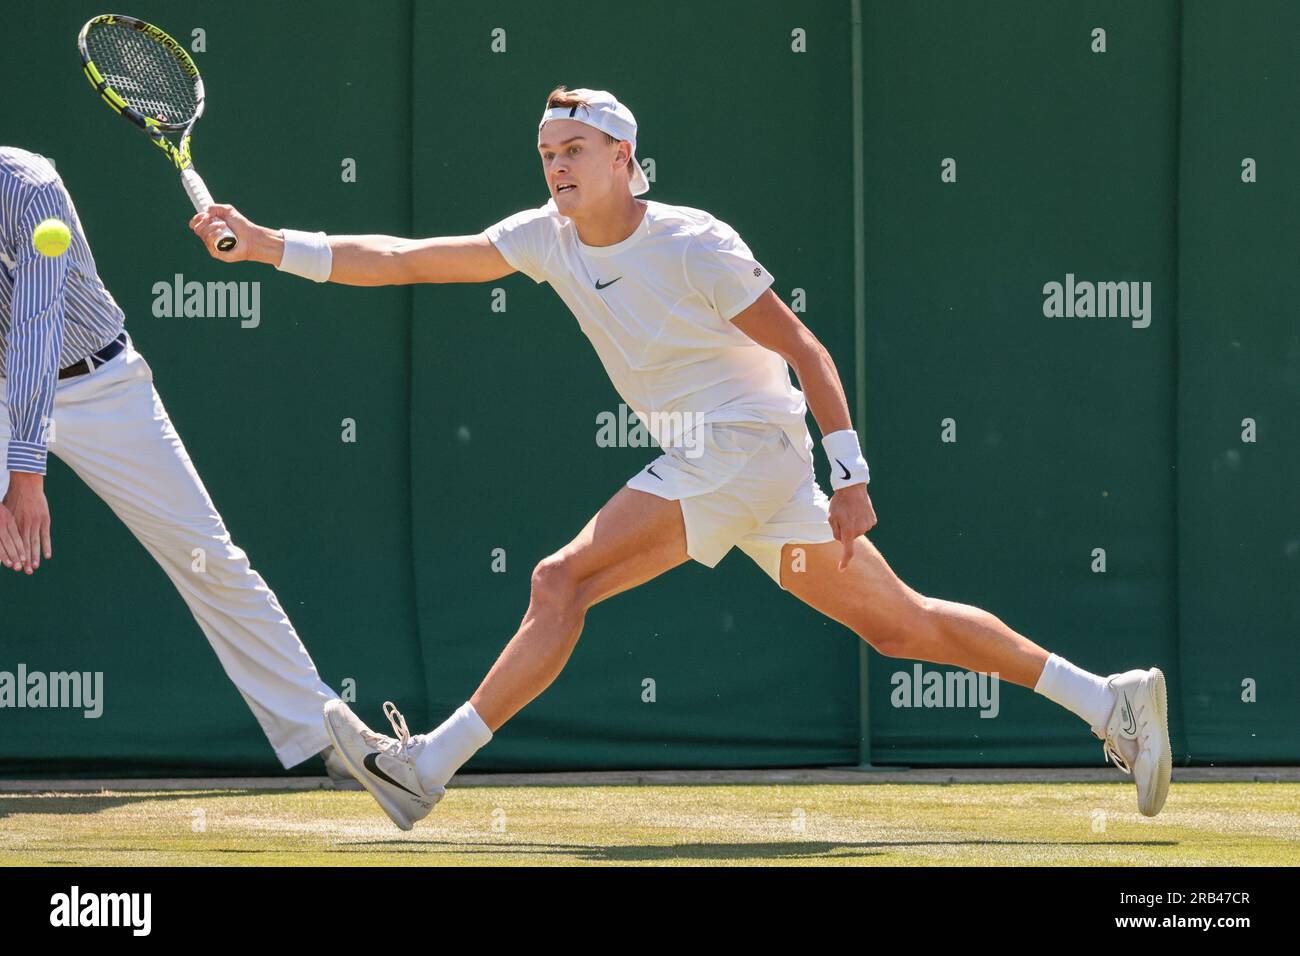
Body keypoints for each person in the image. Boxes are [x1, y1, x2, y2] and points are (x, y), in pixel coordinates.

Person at [190, 87, 1172, 832]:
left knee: (558, 578)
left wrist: (854, 471)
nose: (555, 167)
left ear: (623, 157)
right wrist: (271, 243)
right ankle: (1108, 698)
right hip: (741, 466)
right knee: (902, 627)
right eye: (545, 153)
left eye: (573, 149)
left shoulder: (696, 246)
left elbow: (804, 348)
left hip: (743, 445)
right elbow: (406, 258)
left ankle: (428, 767)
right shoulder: (547, 238)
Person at [0, 145, 357, 786]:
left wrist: (23, 475)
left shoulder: (29, 186)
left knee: (207, 555)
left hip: (97, 382)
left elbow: (36, 324)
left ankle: (333, 735)